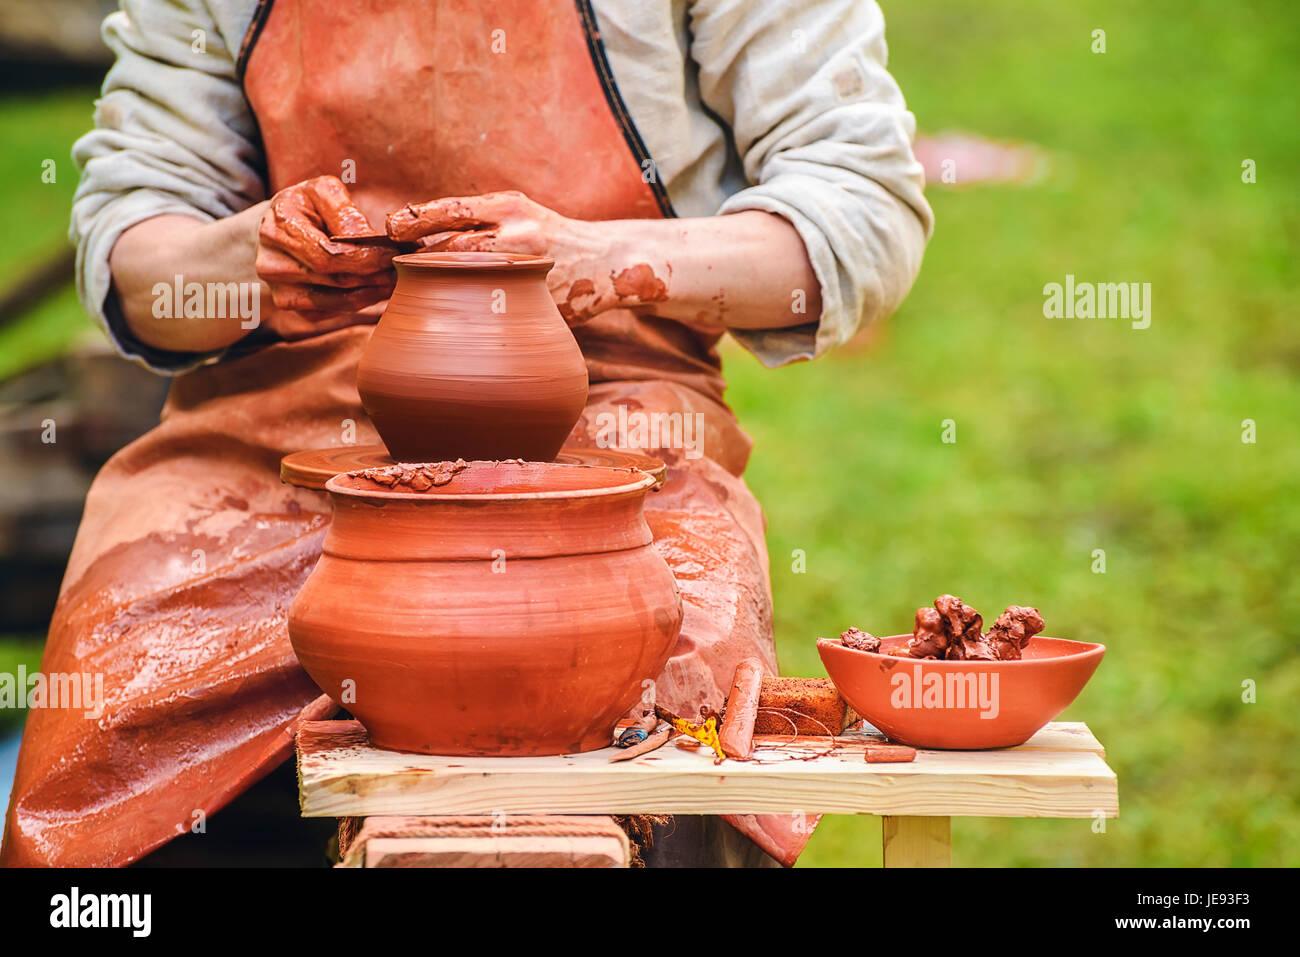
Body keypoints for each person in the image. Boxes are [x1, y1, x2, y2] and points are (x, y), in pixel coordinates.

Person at [1, 0, 931, 867]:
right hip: (273, 415)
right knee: (122, 696)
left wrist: (605, 261)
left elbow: (864, 206)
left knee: (674, 680)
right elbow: (135, 253)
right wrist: (244, 261)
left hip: (612, 396)